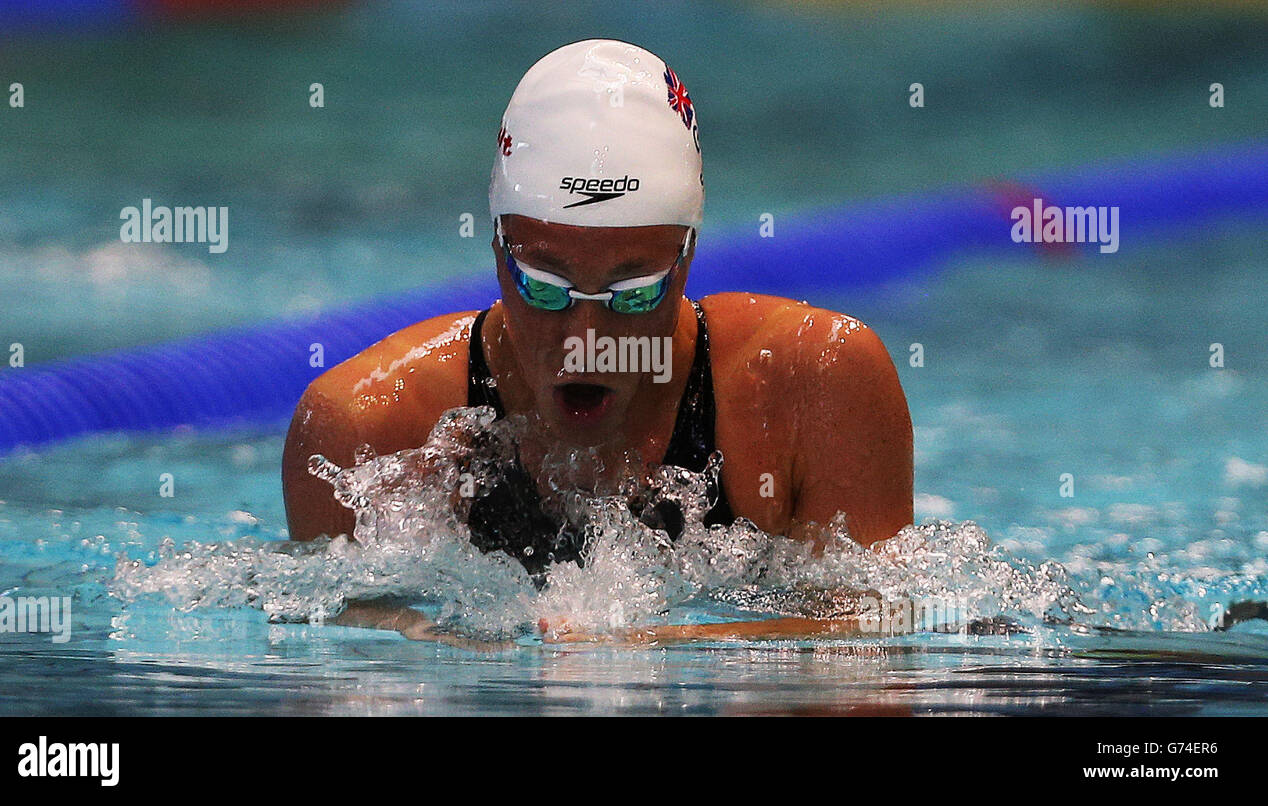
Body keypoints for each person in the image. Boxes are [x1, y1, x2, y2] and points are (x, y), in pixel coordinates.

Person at [282, 39, 913, 644]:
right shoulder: (365, 432)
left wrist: (664, 646)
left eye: (633, 293)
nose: (585, 340)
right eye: (545, 288)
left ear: (687, 259)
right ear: (498, 252)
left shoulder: (813, 386)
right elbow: (338, 664)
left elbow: (883, 646)